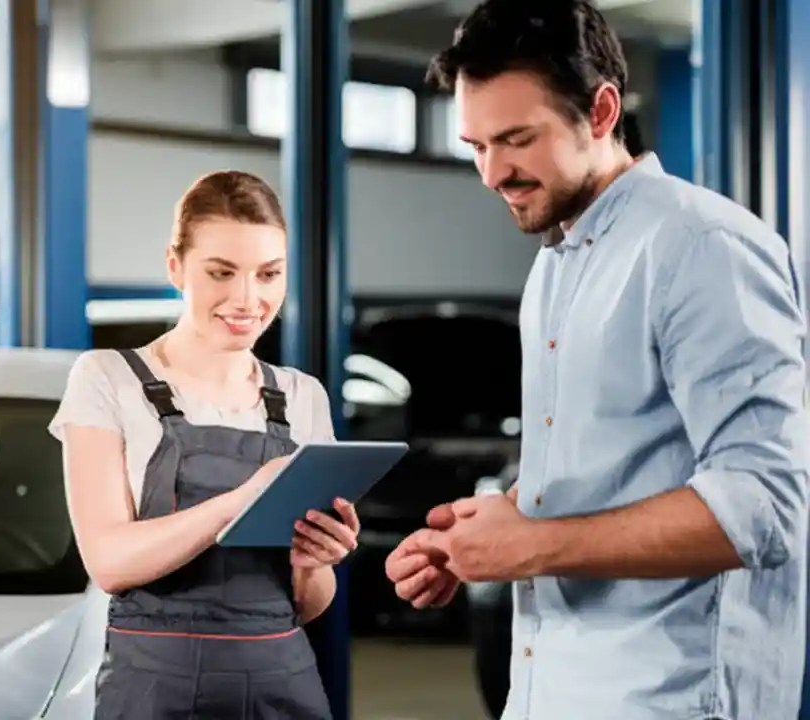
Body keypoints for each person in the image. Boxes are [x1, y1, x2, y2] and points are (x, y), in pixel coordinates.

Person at [385, 1, 808, 719]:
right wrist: (486, 534)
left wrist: (534, 547)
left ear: (602, 109)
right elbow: (606, 470)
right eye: (477, 145)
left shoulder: (700, 247)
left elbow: (767, 505)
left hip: (669, 700)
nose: (493, 173)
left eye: (517, 139)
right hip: (553, 690)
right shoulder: (555, 265)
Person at [48, 170, 358, 719]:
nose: (247, 299)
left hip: (281, 685)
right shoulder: (107, 379)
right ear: (175, 266)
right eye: (221, 273)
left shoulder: (300, 396)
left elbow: (307, 606)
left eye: (268, 275)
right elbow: (110, 562)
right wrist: (246, 499)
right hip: (153, 691)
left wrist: (315, 562)